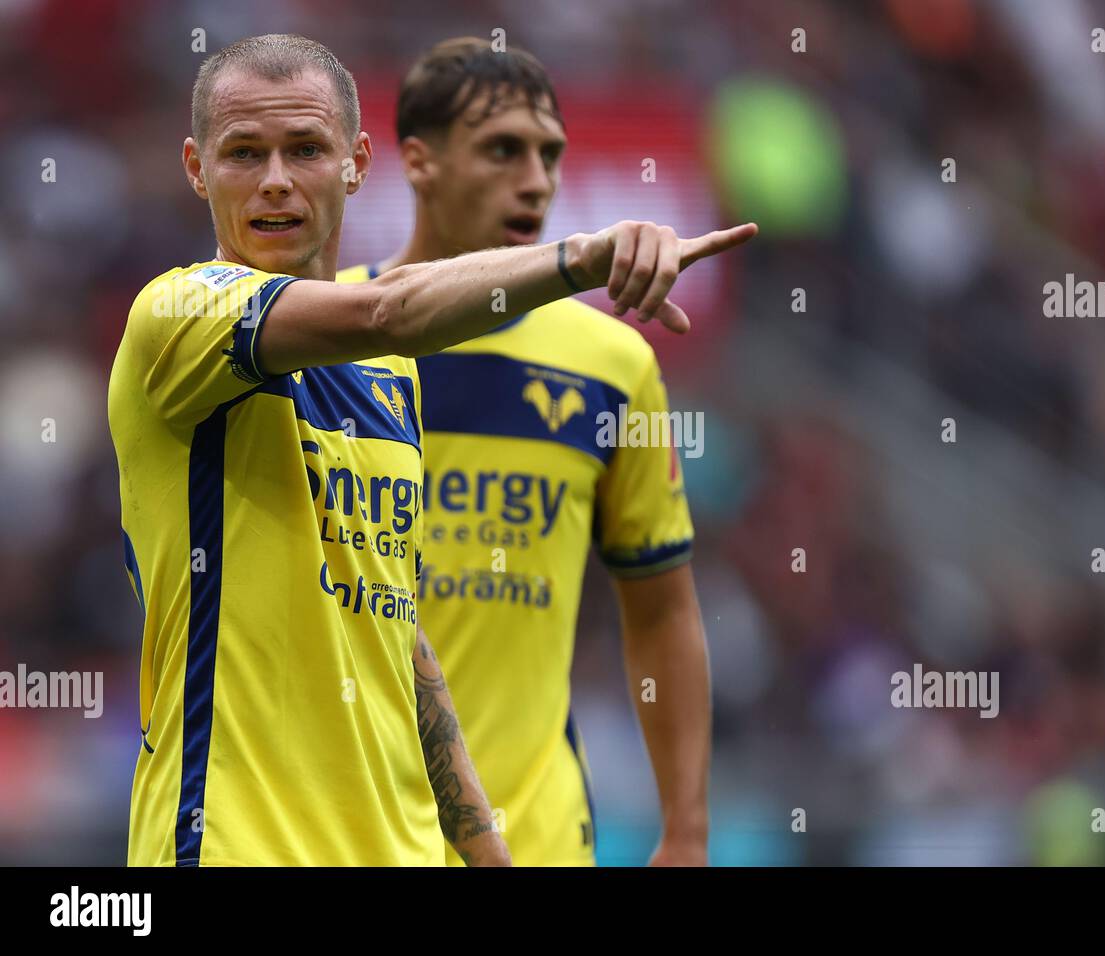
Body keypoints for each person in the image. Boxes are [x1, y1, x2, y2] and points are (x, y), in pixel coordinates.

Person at [109, 32, 755, 866]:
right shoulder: (178, 315)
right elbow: (388, 310)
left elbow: (401, 629)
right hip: (235, 845)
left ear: (356, 163)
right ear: (197, 169)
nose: (275, 179)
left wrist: (485, 848)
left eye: (305, 149)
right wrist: (582, 257)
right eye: (245, 154)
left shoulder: (394, 375)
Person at [338, 37, 718, 866]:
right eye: (503, 150)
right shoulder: (330, 340)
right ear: (419, 161)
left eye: (550, 154)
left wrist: (687, 832)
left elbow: (663, 608)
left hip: (538, 836)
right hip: (353, 836)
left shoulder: (615, 365)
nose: (538, 180)